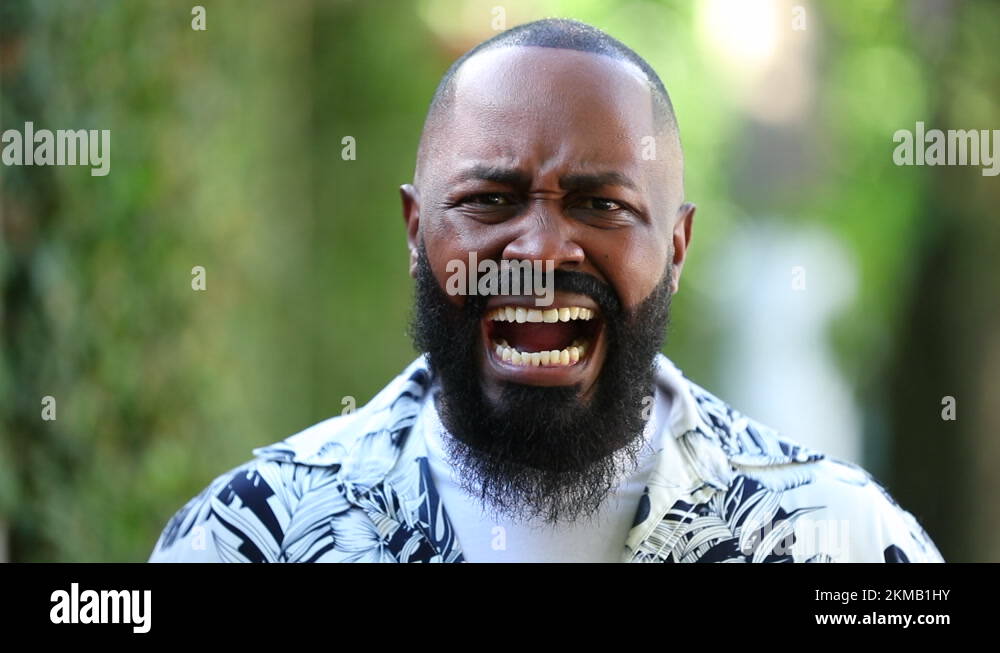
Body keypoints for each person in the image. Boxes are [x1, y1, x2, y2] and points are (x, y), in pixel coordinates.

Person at [148, 18, 943, 563]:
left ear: (676, 246)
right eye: (490, 199)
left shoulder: (832, 540)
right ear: (415, 230)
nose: (540, 249)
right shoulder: (255, 536)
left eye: (603, 205)